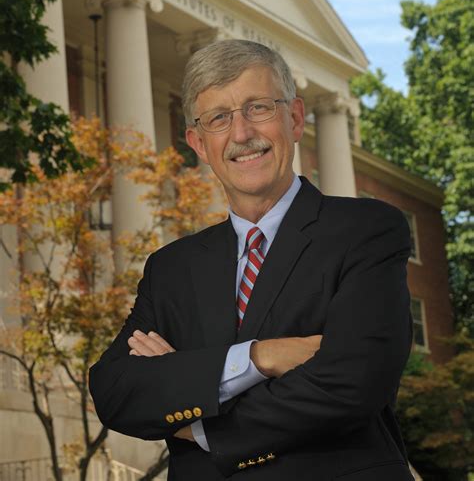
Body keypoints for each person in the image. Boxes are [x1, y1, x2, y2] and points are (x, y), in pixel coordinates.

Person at [89, 40, 415, 480]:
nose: (241, 134)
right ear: (199, 144)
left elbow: (353, 382)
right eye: (219, 118)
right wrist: (262, 357)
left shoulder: (366, 230)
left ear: (295, 118)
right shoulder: (172, 268)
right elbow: (115, 391)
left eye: (258, 107)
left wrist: (198, 418)